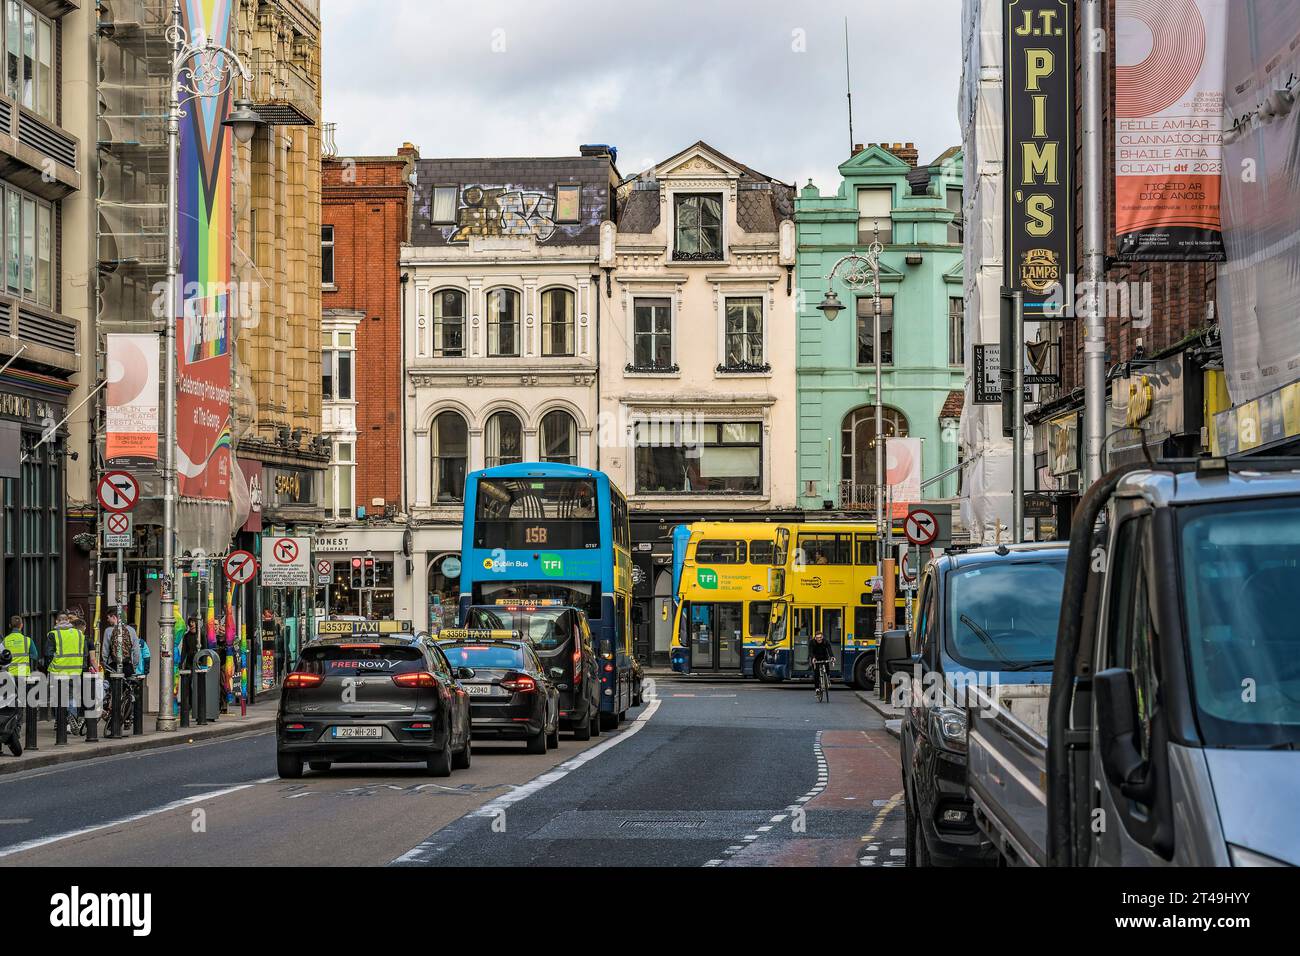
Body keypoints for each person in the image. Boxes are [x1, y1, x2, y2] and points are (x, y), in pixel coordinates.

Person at [43, 611, 90, 731]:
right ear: (68, 621)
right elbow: (84, 653)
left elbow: (48, 655)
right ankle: (70, 723)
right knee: (71, 697)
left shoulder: (53, 634)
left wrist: (50, 667)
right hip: (75, 671)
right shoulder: (79, 634)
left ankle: (61, 722)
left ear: (57, 622)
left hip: (58, 671)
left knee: (57, 698)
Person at [808, 630, 834, 696]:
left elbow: (829, 650)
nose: (819, 639)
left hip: (824, 656)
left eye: (820, 637)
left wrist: (832, 657)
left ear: (822, 637)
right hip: (816, 658)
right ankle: (817, 689)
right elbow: (810, 652)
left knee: (827, 667)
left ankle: (827, 678)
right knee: (816, 673)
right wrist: (813, 658)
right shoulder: (812, 642)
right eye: (817, 638)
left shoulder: (826, 642)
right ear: (815, 638)